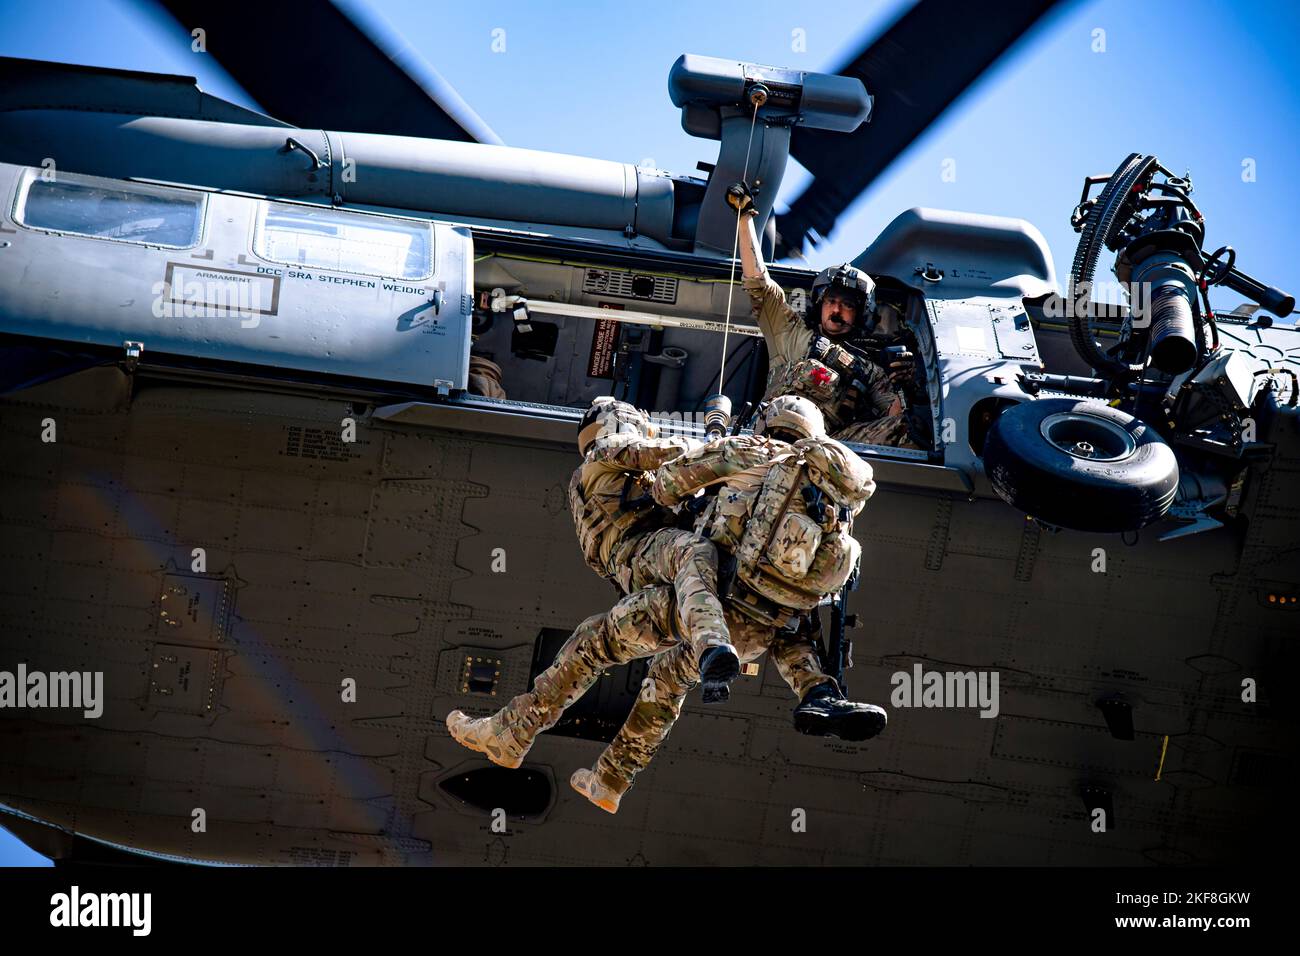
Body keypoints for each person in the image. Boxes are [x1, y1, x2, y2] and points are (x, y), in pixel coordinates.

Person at [570, 395, 890, 811]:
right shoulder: (832, 492)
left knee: (664, 675)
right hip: (779, 615)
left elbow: (667, 487)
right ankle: (817, 692)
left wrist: (710, 461)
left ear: (767, 423)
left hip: (721, 601)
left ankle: (611, 780)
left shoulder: (747, 450)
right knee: (793, 622)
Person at [727, 182, 920, 448]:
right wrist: (745, 219)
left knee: (910, 427)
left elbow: (893, 420)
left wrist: (907, 384)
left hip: (826, 448)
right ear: (820, 304)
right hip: (770, 433)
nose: (837, 309)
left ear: (861, 314)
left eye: (848, 305)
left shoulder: (870, 371)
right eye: (831, 301)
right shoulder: (791, 334)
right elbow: (759, 283)